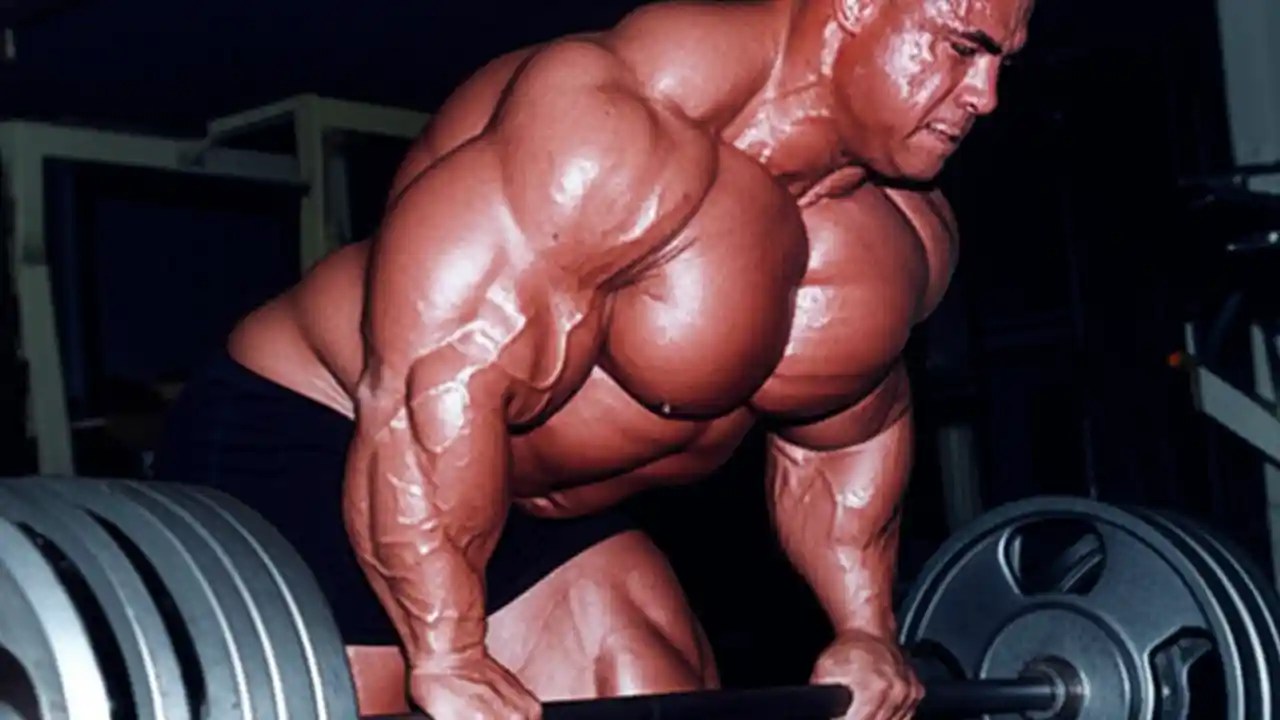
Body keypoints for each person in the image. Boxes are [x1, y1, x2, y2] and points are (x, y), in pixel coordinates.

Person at [154, 0, 1032, 717]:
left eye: (1004, 62)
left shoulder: (905, 231)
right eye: (963, 47)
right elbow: (437, 387)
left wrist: (865, 626)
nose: (988, 96)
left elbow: (848, 434)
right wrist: (450, 654)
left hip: (533, 503)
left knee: (652, 688)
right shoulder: (610, 123)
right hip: (331, 435)